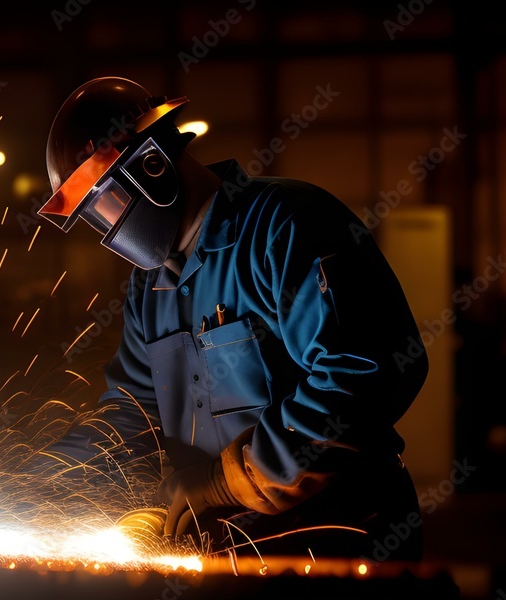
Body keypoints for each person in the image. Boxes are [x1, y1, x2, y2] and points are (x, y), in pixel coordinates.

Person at [33, 76, 429, 561]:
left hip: (341, 542)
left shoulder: (286, 226)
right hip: (234, 556)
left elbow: (363, 372)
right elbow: (130, 413)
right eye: (94, 219)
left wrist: (223, 482)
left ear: (151, 165)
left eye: (107, 203)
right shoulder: (150, 288)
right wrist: (39, 483)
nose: (110, 229)